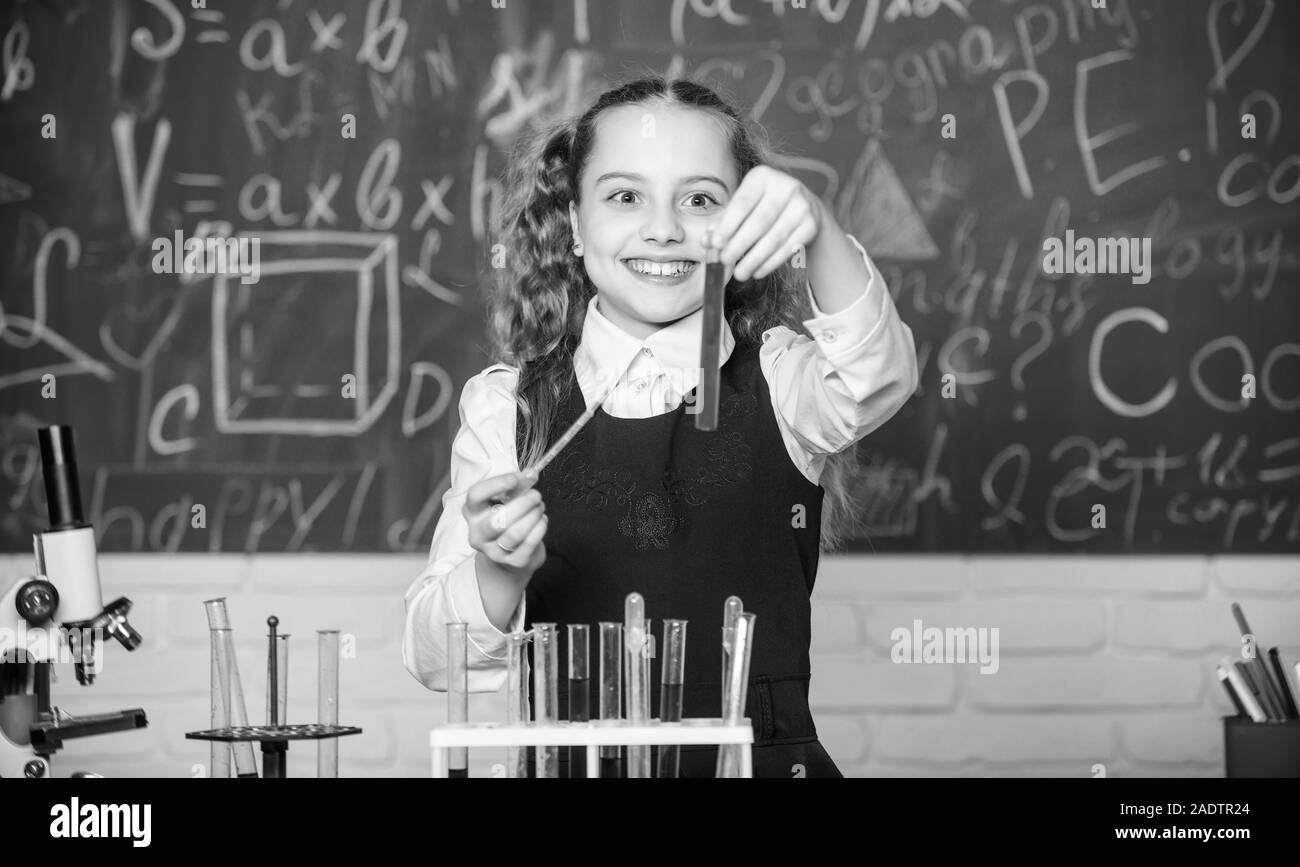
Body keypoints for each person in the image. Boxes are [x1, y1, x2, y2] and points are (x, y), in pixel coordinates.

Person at [403, 76, 918, 777]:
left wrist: (819, 228)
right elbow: (435, 658)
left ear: (746, 223)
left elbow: (880, 375)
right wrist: (496, 569)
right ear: (576, 226)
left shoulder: (785, 380)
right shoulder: (510, 408)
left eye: (701, 199)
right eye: (624, 196)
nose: (665, 227)